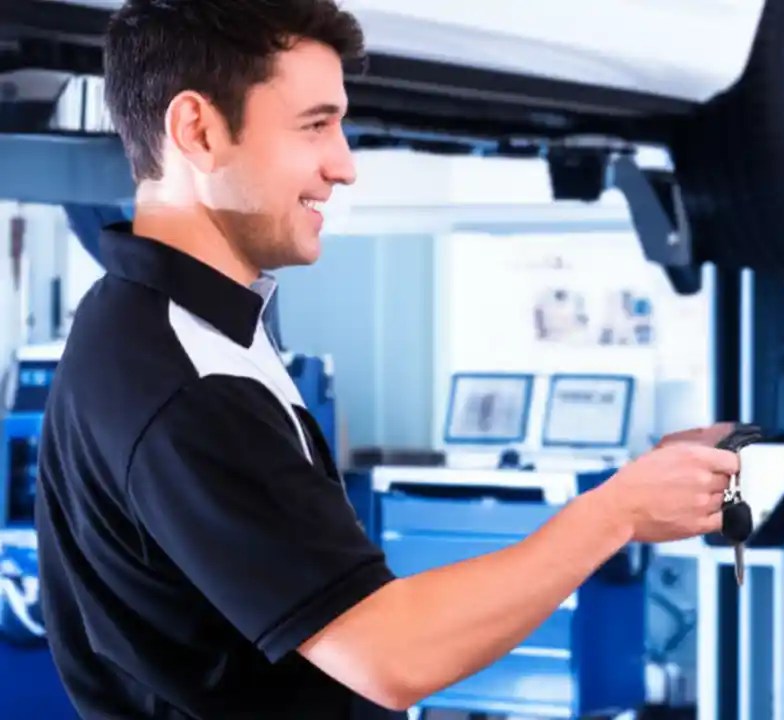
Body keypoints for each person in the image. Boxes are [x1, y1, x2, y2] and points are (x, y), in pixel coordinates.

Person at [33, 2, 740, 718]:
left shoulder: (151, 322)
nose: (344, 167)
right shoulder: (191, 380)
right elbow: (392, 654)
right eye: (314, 126)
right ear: (198, 129)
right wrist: (616, 513)